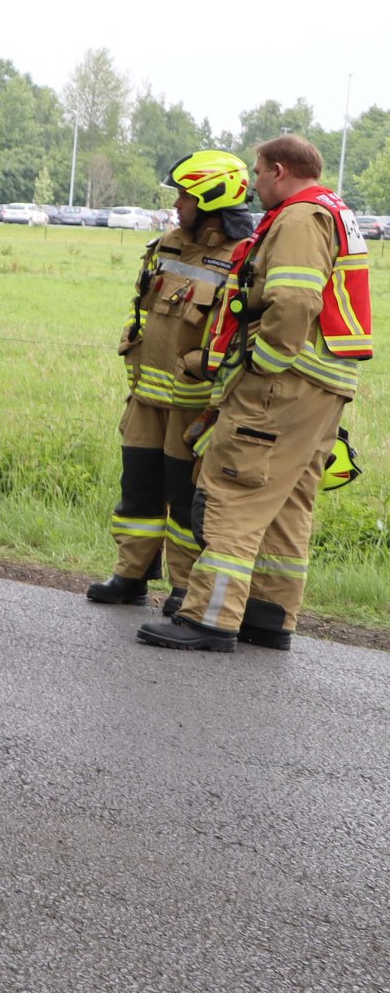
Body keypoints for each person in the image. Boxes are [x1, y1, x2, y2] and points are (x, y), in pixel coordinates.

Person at [138, 135, 372, 652]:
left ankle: (209, 618)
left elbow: (292, 301)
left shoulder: (299, 218)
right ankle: (268, 616)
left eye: (259, 172)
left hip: (281, 386)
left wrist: (263, 363)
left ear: (280, 171)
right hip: (321, 389)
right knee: (287, 506)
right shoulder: (333, 212)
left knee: (234, 493)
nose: (254, 183)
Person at [86, 151, 256, 609]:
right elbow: (143, 309)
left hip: (195, 406)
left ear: (212, 199)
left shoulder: (243, 257)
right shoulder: (167, 244)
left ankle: (185, 588)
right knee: (138, 488)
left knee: (185, 499)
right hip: (147, 397)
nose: (177, 204)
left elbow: (245, 332)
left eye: (185, 196)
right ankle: (131, 575)